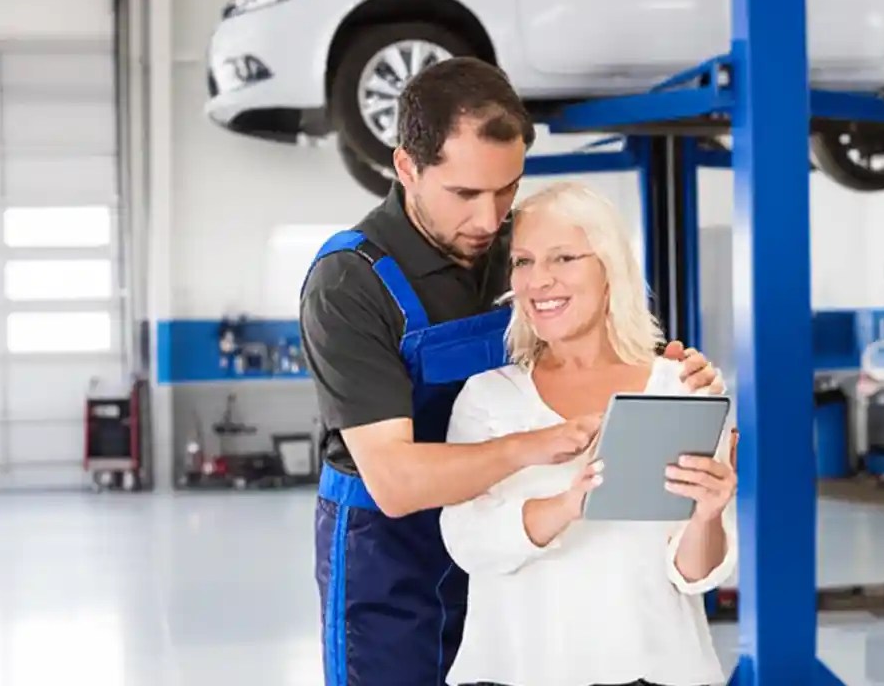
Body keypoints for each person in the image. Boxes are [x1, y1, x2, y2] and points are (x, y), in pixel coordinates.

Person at [298, 57, 726, 686]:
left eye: (507, 190)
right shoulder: (349, 282)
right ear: (406, 168)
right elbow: (394, 481)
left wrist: (660, 370)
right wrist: (541, 443)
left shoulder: (513, 251)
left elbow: (583, 329)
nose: (488, 219)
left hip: (516, 533)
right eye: (465, 194)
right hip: (390, 558)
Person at [439, 181, 739, 686]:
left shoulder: (681, 387)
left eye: (563, 258)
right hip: (518, 673)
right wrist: (567, 505)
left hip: (658, 673)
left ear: (609, 271)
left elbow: (693, 574)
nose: (539, 281)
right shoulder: (489, 398)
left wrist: (709, 515)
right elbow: (468, 542)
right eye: (524, 262)